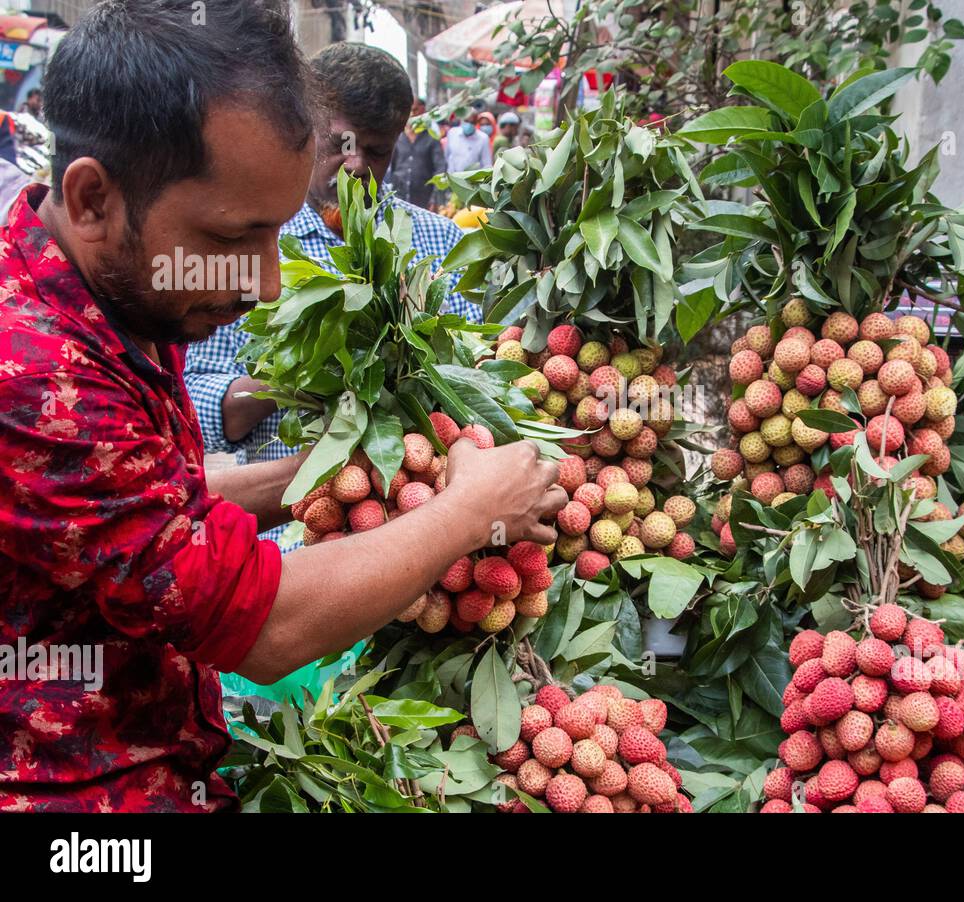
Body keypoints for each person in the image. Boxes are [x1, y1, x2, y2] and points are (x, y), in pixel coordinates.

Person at [0, 0, 564, 813]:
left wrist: (318, 474)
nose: (265, 282)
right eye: (235, 238)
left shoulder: (105, 297)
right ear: (93, 201)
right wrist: (474, 509)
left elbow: (161, 513)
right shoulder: (35, 378)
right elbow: (265, 630)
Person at [185, 42, 478, 549]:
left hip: (422, 538)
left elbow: (475, 379)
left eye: (377, 150)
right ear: (303, 130)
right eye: (339, 143)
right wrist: (292, 375)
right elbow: (193, 405)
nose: (356, 164)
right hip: (296, 542)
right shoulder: (249, 245)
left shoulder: (441, 244)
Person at [389, 97, 447, 210]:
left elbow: (440, 168)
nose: (411, 114)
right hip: (399, 196)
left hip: (423, 198)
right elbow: (392, 166)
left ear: (423, 111)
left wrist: (435, 198)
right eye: (408, 111)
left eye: (415, 110)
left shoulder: (431, 138)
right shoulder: (397, 136)